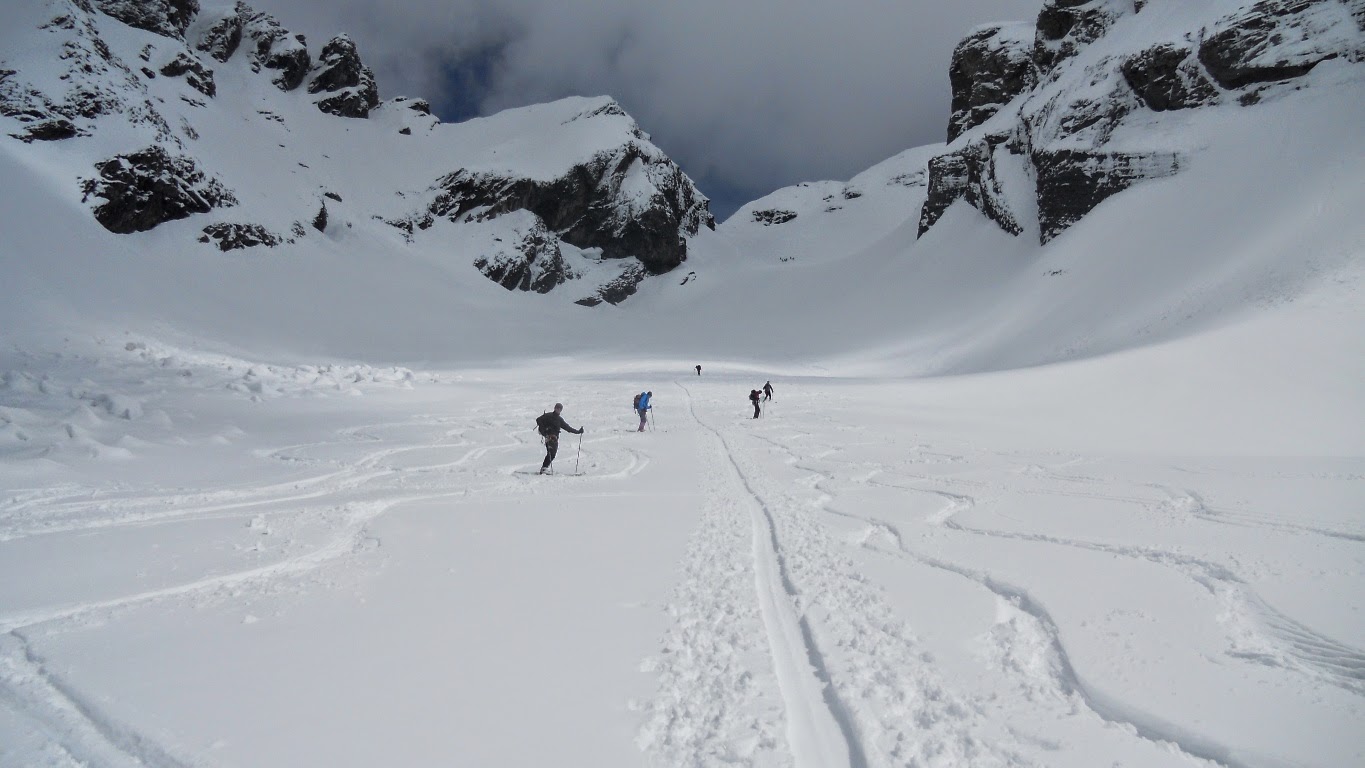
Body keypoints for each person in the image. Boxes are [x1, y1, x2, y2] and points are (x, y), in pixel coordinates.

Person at [535, 403, 584, 474]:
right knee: (551, 453)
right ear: (554, 408)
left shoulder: (559, 420)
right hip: (549, 437)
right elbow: (538, 420)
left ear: (561, 410)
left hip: (554, 438)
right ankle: (544, 468)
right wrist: (544, 430)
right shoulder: (548, 416)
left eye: (559, 408)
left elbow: (568, 428)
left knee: (552, 454)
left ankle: (544, 468)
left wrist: (578, 432)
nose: (558, 409)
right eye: (557, 408)